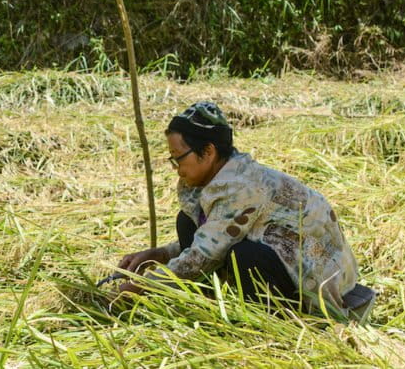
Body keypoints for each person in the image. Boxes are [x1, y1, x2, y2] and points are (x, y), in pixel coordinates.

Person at [116, 101, 364, 319]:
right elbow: (212, 233)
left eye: (178, 157)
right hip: (286, 262)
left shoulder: (241, 188)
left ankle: (276, 321)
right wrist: (159, 254)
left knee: (245, 256)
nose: (175, 167)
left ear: (208, 152)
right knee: (187, 220)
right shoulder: (219, 180)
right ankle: (211, 302)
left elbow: (203, 256)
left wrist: (143, 286)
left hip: (316, 286)